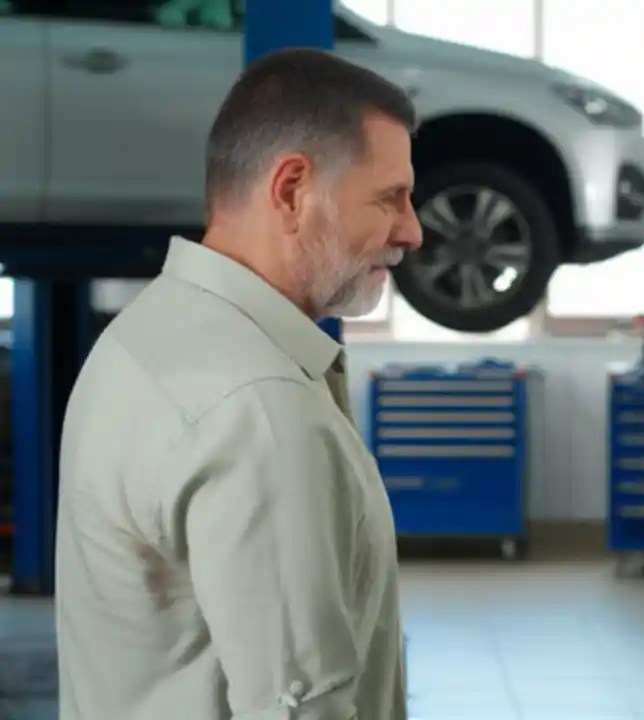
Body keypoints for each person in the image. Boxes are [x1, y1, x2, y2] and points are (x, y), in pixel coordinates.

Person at [55, 48, 422, 719]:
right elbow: (300, 709)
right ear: (290, 191)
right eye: (389, 198)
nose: (413, 229)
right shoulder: (257, 406)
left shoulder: (146, 336)